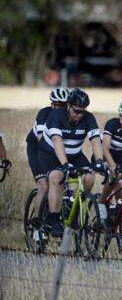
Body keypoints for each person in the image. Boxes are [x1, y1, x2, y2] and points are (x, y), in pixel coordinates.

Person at [38, 88, 105, 238]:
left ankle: (73, 211)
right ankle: (54, 220)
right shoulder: (56, 116)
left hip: (75, 154)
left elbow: (95, 140)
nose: (79, 115)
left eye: (83, 111)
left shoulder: (88, 117)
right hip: (50, 153)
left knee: (89, 178)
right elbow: (57, 141)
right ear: (68, 106)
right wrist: (65, 164)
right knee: (57, 177)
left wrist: (99, 160)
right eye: (76, 111)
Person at [24, 87, 69, 225]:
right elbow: (41, 140)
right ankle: (37, 221)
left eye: (63, 105)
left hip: (53, 149)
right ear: (52, 103)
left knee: (60, 182)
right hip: (37, 148)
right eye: (57, 104)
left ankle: (53, 214)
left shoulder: (69, 116)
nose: (60, 107)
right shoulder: (44, 114)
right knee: (44, 184)